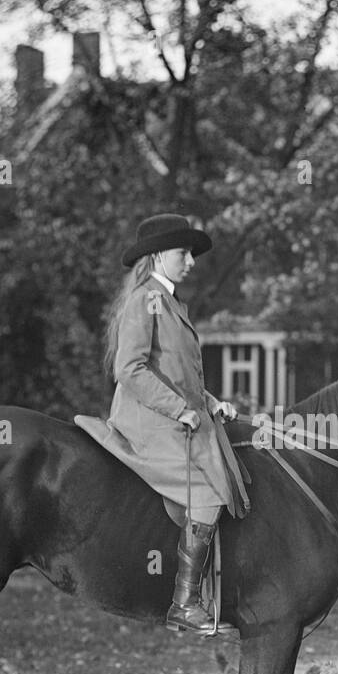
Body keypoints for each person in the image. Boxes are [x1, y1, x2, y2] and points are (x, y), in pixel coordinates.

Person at [99, 213, 249, 636]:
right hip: (147, 421)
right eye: (183, 253)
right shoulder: (145, 300)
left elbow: (180, 375)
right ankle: (184, 603)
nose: (191, 262)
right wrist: (178, 408)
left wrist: (212, 403)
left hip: (177, 415)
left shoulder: (168, 302)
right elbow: (129, 369)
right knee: (205, 493)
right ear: (157, 255)